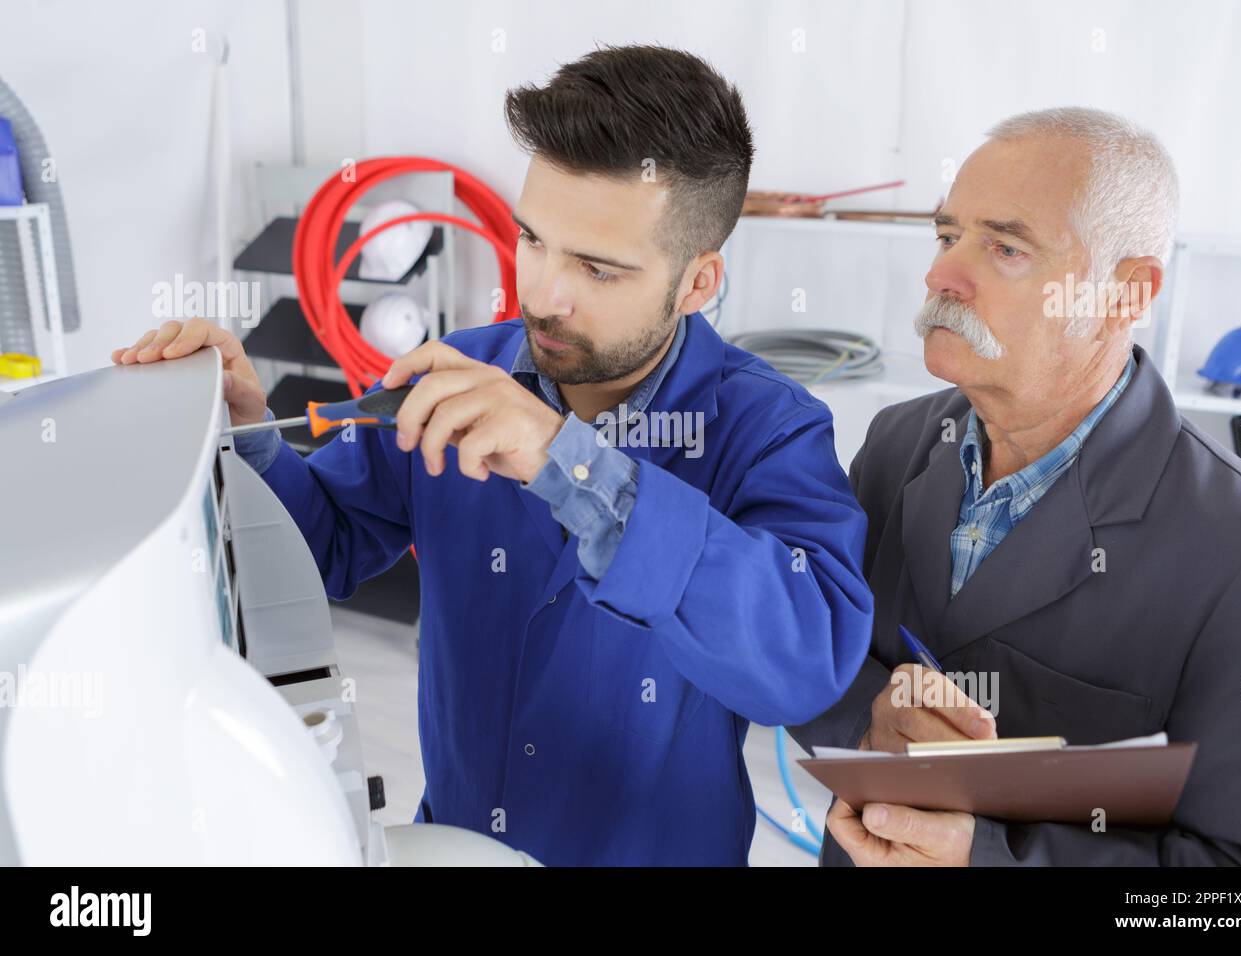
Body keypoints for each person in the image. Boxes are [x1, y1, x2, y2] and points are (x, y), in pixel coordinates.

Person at [112, 45, 873, 866]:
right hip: (462, 844)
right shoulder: (458, 372)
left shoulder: (769, 427)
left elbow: (804, 664)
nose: (543, 293)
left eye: (597, 268)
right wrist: (251, 432)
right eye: (532, 239)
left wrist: (568, 461)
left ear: (697, 283)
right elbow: (320, 548)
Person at [792, 107, 1241, 866]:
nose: (942, 276)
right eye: (946, 235)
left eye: (1004, 247)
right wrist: (869, 717)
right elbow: (822, 658)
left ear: (1127, 294)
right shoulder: (898, 445)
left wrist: (989, 858)